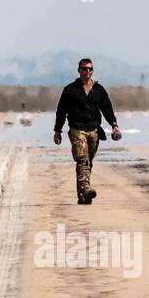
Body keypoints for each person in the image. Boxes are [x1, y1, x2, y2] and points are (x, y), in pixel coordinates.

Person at [53, 58, 121, 205]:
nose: (87, 72)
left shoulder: (99, 90)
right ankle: (87, 189)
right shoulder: (70, 90)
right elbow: (61, 111)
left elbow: (107, 109)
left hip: (94, 131)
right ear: (79, 71)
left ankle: (83, 195)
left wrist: (114, 125)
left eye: (90, 69)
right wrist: (57, 130)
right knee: (82, 159)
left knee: (88, 162)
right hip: (77, 130)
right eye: (84, 69)